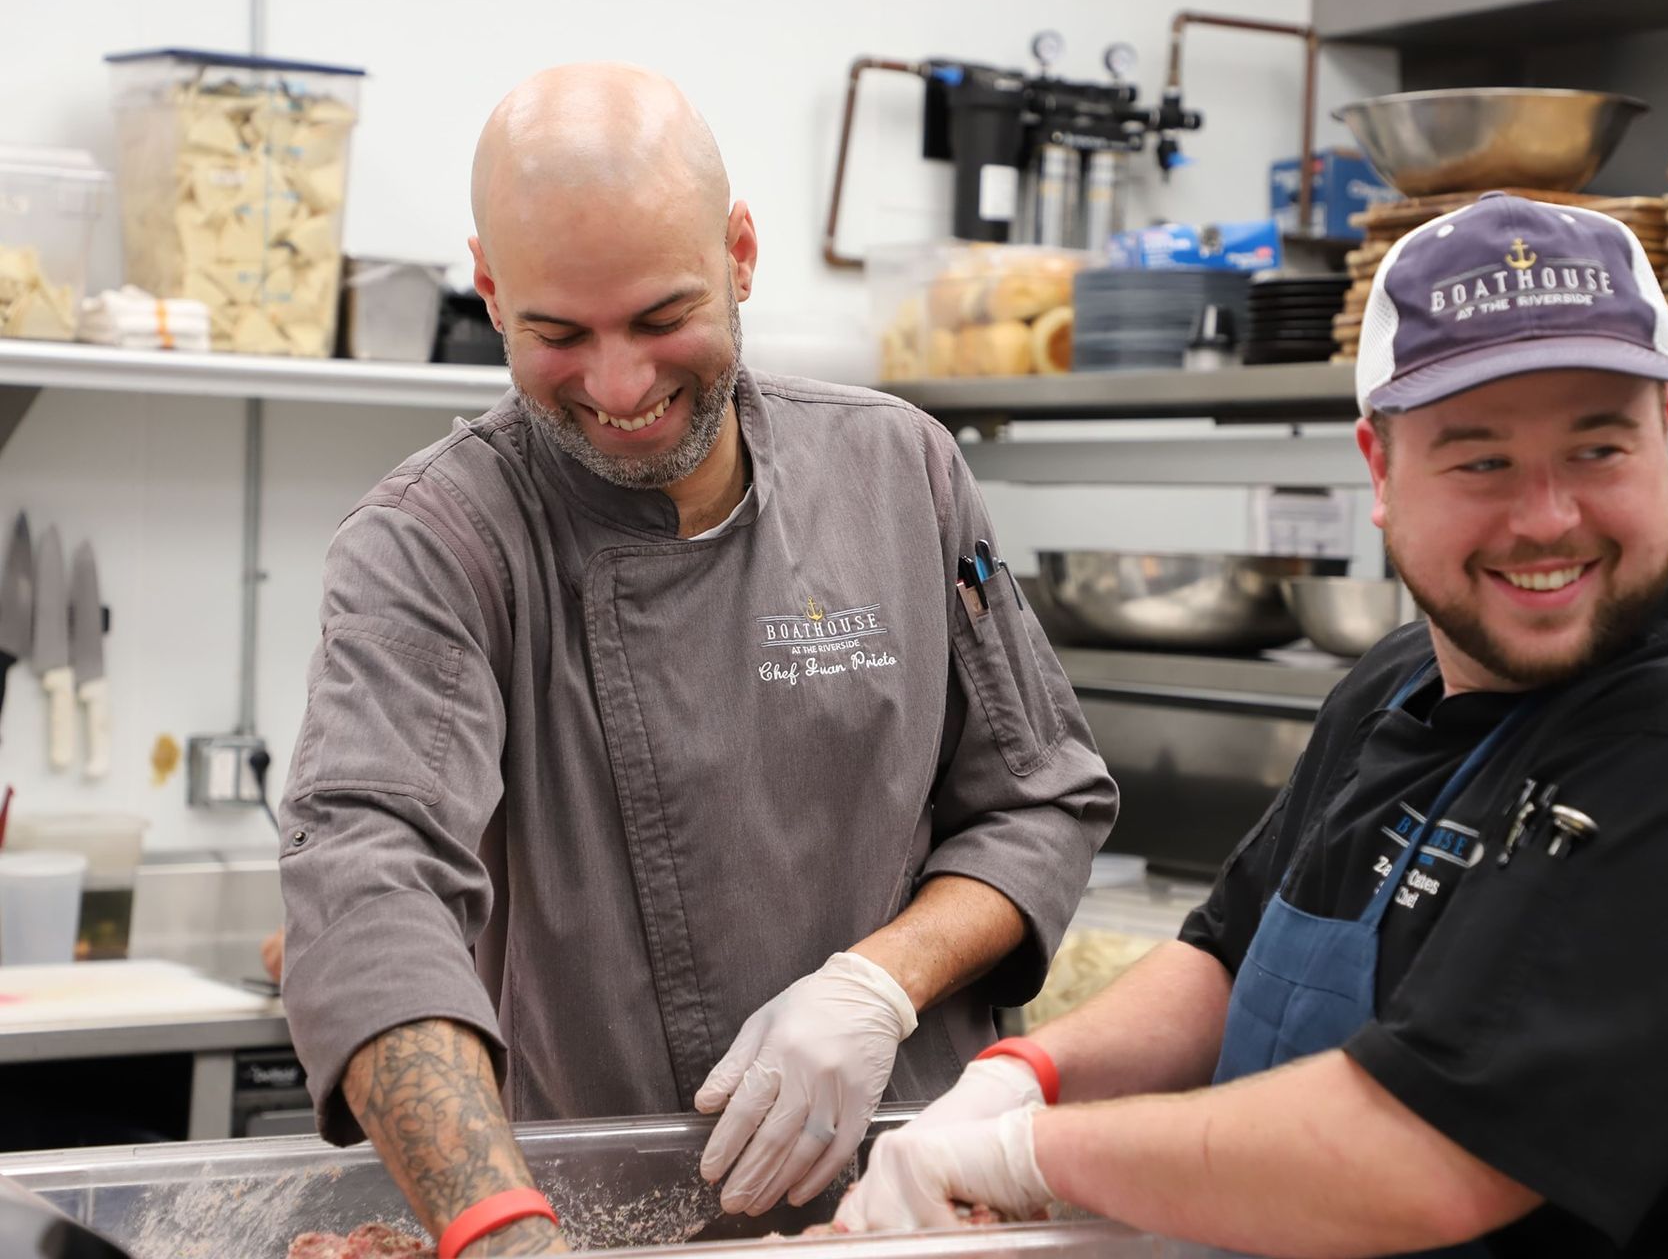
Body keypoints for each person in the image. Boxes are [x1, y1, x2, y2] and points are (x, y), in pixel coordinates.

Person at [834, 192, 1668, 1258]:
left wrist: (1032, 1155)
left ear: (1666, 432)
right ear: (1380, 468)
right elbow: (1226, 957)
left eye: (1600, 448)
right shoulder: (1393, 683)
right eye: (1481, 460)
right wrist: (1025, 1075)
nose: (1548, 516)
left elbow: (1420, 1156)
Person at [275, 62, 1115, 1256]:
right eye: (556, 333)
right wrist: (501, 1234)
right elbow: (369, 879)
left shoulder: (899, 474)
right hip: (592, 1224)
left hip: (917, 1212)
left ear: (741, 254)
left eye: (663, 318)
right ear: (491, 290)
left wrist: (880, 981)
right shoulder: (435, 543)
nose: (619, 386)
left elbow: (1041, 800)